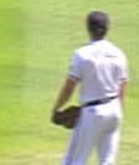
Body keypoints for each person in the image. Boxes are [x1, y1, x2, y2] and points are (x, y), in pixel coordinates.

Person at [52, 10, 129, 165]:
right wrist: (117, 112)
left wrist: (57, 108)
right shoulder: (118, 54)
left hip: (92, 112)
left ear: (88, 28)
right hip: (114, 110)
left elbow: (69, 86)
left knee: (75, 161)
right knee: (107, 161)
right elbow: (122, 86)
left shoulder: (82, 54)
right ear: (107, 28)